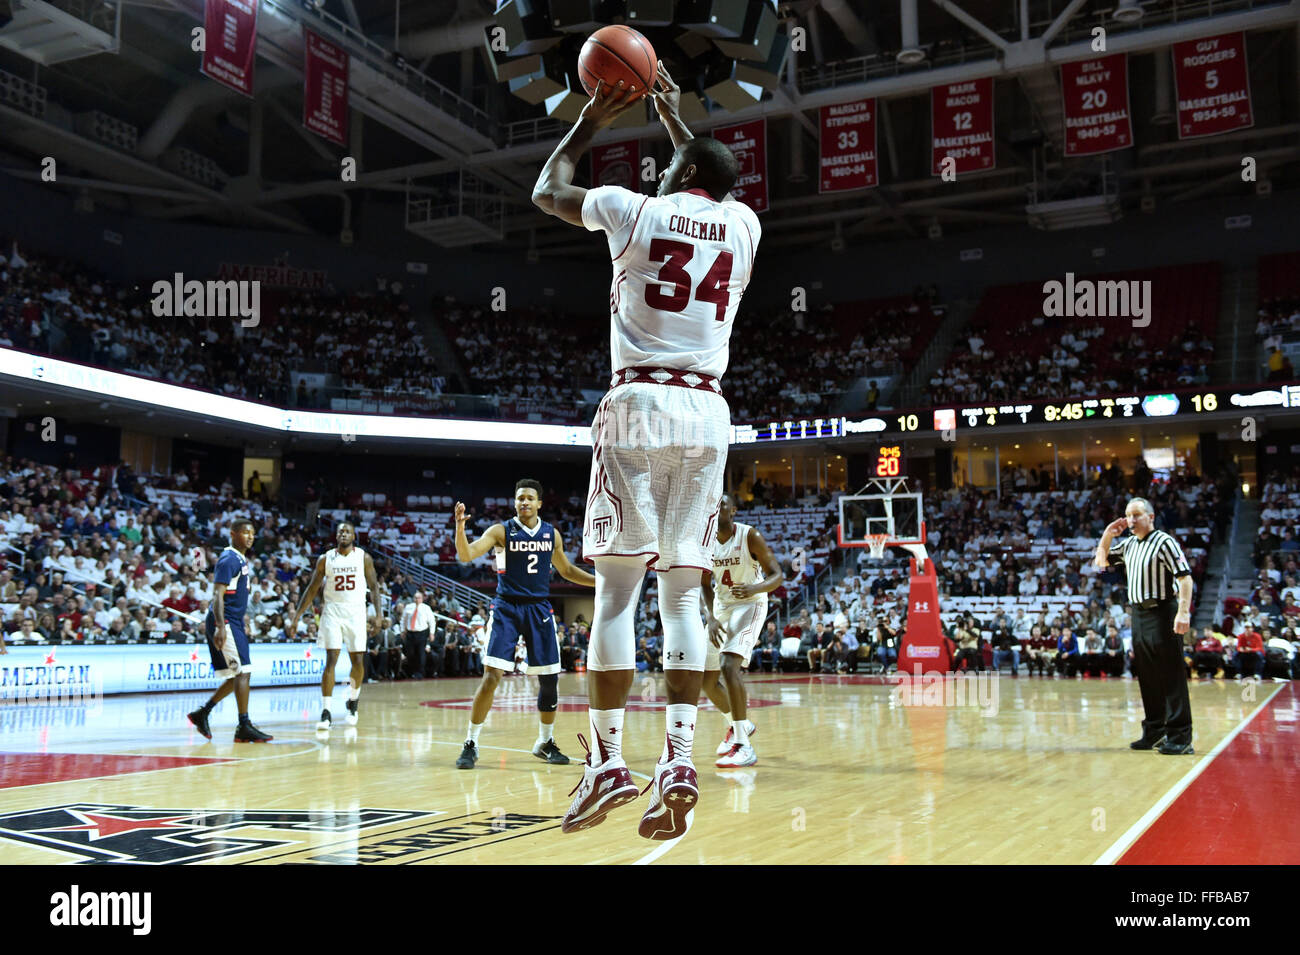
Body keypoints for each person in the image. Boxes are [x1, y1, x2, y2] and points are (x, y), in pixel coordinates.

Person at [532, 64, 760, 840]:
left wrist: (592, 119)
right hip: (707, 412)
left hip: (638, 400)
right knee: (686, 595)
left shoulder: (631, 210)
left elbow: (546, 188)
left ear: (682, 172)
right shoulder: (747, 227)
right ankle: (682, 759)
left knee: (617, 591)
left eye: (674, 162)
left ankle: (605, 763)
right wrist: (673, 119)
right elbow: (706, 177)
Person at [452, 480, 595, 769]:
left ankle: (544, 742)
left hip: (538, 607)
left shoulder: (551, 534)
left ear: (540, 503)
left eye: (530, 498)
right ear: (515, 502)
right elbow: (466, 555)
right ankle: (471, 743)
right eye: (520, 498)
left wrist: (598, 582)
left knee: (549, 679)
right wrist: (459, 527)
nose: (524, 503)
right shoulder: (501, 530)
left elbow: (566, 570)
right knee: (492, 676)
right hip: (507, 607)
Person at [1095, 497, 1195, 755]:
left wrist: (1183, 612)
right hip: (1139, 614)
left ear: (1150, 517)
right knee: (1148, 677)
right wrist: (1108, 534)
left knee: (1172, 676)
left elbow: (1185, 578)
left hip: (1163, 612)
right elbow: (1101, 562)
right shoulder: (1128, 545)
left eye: (1137, 515)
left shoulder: (1165, 542)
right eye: (1128, 515)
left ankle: (1181, 737)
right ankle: (1155, 730)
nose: (1131, 520)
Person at [699, 494, 782, 768]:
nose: (716, 508)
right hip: (721, 608)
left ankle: (743, 746)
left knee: (728, 665)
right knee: (706, 680)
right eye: (712, 505)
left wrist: (754, 588)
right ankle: (739, 725)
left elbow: (777, 575)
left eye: (721, 504)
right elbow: (703, 582)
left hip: (751, 603)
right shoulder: (706, 540)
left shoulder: (750, 536)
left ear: (733, 511)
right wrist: (710, 617)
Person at [285, 522, 382, 732]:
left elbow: (374, 587)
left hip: (356, 612)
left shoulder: (363, 557)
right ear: (336, 536)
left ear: (354, 536)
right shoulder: (325, 559)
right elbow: (311, 589)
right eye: (340, 531)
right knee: (331, 660)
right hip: (332, 612)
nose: (344, 533)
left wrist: (379, 615)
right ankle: (326, 711)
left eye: (347, 531)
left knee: (357, 660)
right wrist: (296, 618)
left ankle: (353, 703)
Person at [187, 520, 272, 742]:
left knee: (239, 673)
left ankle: (202, 713)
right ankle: (244, 725)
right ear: (232, 534)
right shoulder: (228, 559)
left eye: (253, 533)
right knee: (243, 672)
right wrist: (220, 626)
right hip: (225, 622)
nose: (250, 536)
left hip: (233, 622)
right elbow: (217, 596)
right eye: (245, 532)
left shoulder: (240, 559)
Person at [398, 591, 435, 680]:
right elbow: (403, 620)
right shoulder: (408, 607)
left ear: (422, 599)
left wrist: (431, 633)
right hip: (410, 633)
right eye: (415, 598)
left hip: (421, 633)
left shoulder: (426, 608)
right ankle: (412, 672)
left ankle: (420, 673)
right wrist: (403, 631)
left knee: (421, 653)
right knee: (410, 653)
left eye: (418, 598)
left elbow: (432, 621)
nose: (416, 599)